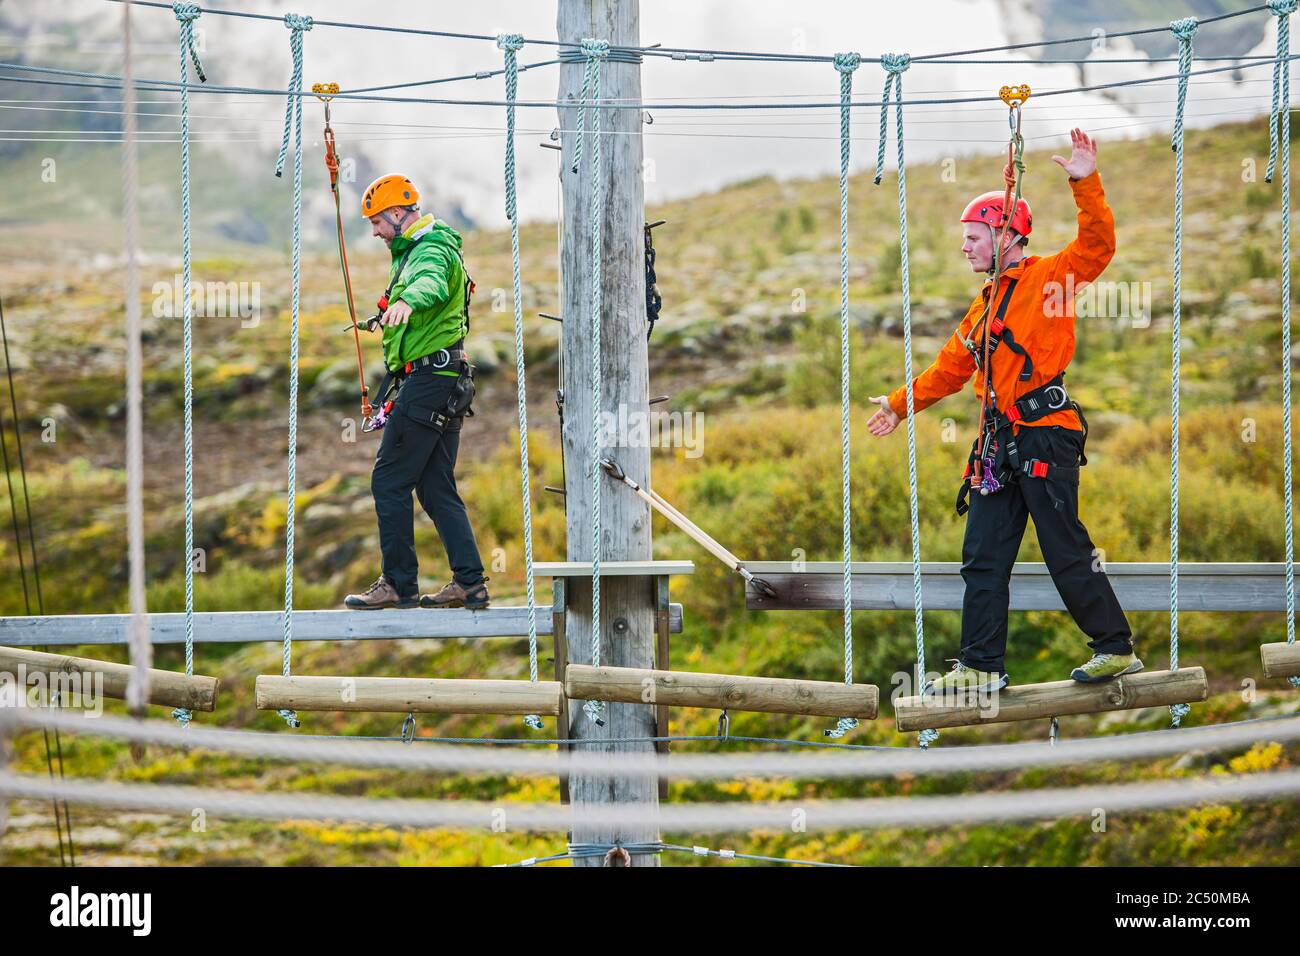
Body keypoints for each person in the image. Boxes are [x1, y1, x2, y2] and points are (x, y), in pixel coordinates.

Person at [866, 128, 1138, 693]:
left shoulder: (1048, 280)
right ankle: (981, 667)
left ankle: (1114, 648)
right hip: (999, 444)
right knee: (982, 556)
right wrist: (898, 406)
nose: (964, 247)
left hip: (1044, 435)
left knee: (1064, 545)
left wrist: (1085, 181)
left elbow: (1097, 248)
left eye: (972, 238)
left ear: (1005, 235)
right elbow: (950, 368)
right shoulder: (984, 306)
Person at [343, 174, 489, 610]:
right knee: (434, 486)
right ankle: (470, 583)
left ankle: (398, 584)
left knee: (389, 480)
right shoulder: (420, 248)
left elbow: (430, 284)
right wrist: (384, 318)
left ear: (396, 214)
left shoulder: (429, 249)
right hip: (446, 381)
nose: (374, 232)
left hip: (429, 383)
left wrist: (408, 302)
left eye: (377, 222)